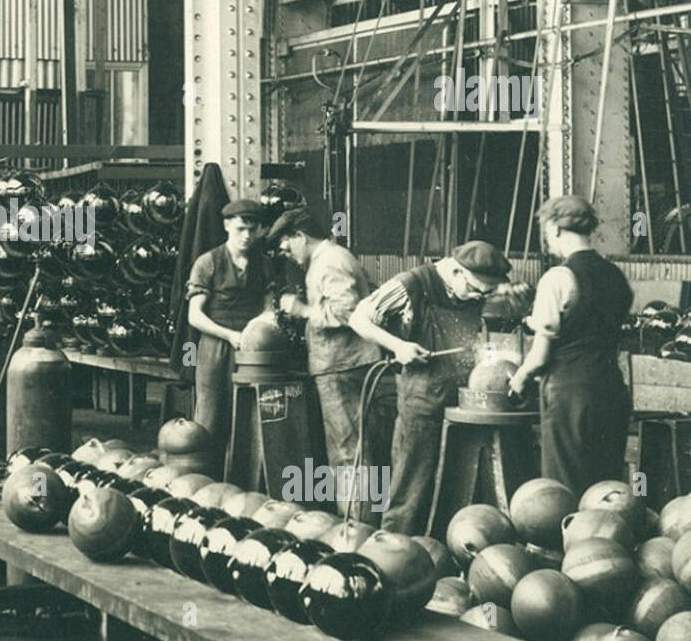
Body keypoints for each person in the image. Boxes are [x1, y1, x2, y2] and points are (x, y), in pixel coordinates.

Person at [349, 241, 531, 535]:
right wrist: (398, 346)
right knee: (410, 490)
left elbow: (503, 317)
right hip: (422, 403)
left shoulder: (476, 286)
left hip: (463, 405)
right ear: (457, 271)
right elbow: (358, 317)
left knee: (456, 487)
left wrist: (516, 303)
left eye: (486, 293)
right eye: (475, 290)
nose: (478, 298)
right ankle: (395, 552)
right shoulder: (412, 284)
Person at [508, 196, 634, 495]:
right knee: (606, 487)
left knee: (565, 488)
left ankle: (569, 540)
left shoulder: (558, 277)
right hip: (611, 389)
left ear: (554, 229)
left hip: (570, 395)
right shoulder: (615, 276)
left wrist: (519, 378)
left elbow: (540, 356)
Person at [267, 209, 384, 520]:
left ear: (300, 237)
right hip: (342, 364)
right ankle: (360, 522)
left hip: (341, 366)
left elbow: (347, 311)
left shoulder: (330, 260)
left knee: (348, 452)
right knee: (353, 448)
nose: (287, 254)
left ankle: (356, 527)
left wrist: (301, 309)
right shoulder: (330, 258)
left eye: (286, 246)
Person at [185, 199, 273, 468]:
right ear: (226, 226)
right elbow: (195, 316)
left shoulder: (265, 263)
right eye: (240, 229)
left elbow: (269, 308)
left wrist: (258, 328)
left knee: (247, 415)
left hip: (250, 348)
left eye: (252, 229)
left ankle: (242, 482)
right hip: (215, 347)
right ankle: (203, 480)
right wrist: (229, 335)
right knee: (210, 416)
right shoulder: (208, 262)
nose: (246, 236)